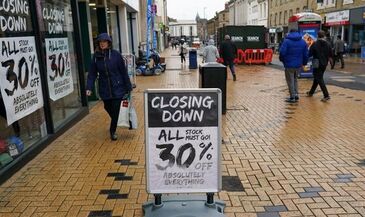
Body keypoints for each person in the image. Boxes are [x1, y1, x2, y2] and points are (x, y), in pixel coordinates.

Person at [86, 33, 132, 141]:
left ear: (108, 43)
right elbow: (92, 73)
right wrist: (89, 87)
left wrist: (128, 86)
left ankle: (112, 131)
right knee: (107, 107)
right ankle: (121, 120)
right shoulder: (96, 57)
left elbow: (123, 71)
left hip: (118, 87)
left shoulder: (116, 55)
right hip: (104, 88)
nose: (102, 44)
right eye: (100, 42)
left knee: (115, 109)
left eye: (104, 42)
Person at [279, 28, 308, 103]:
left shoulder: (286, 41)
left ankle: (292, 97)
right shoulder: (303, 42)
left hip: (289, 64)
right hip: (298, 65)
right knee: (295, 79)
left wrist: (283, 60)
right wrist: (304, 63)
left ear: (290, 32)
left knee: (290, 80)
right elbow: (305, 54)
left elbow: (282, 52)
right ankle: (296, 94)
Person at [306, 30, 331, 102]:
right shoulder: (328, 44)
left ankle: (326, 95)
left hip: (316, 63)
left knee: (319, 78)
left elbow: (309, 54)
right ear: (324, 36)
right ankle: (311, 92)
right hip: (324, 63)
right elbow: (331, 54)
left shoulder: (315, 44)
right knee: (317, 77)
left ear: (317, 36)